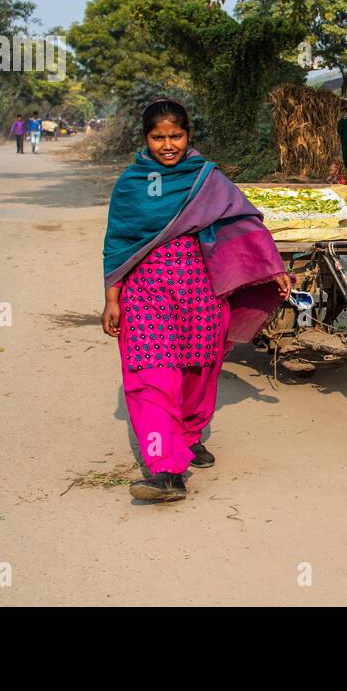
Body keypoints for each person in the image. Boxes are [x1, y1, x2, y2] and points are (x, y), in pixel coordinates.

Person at [101, 99, 291, 503]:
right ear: (145, 139)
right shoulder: (132, 183)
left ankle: (187, 437)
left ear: (188, 136)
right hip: (145, 293)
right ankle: (165, 467)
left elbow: (243, 221)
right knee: (152, 374)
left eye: (175, 136)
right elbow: (117, 243)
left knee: (198, 369)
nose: (167, 145)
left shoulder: (208, 180)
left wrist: (271, 266)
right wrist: (112, 297)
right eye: (158, 137)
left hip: (200, 291)